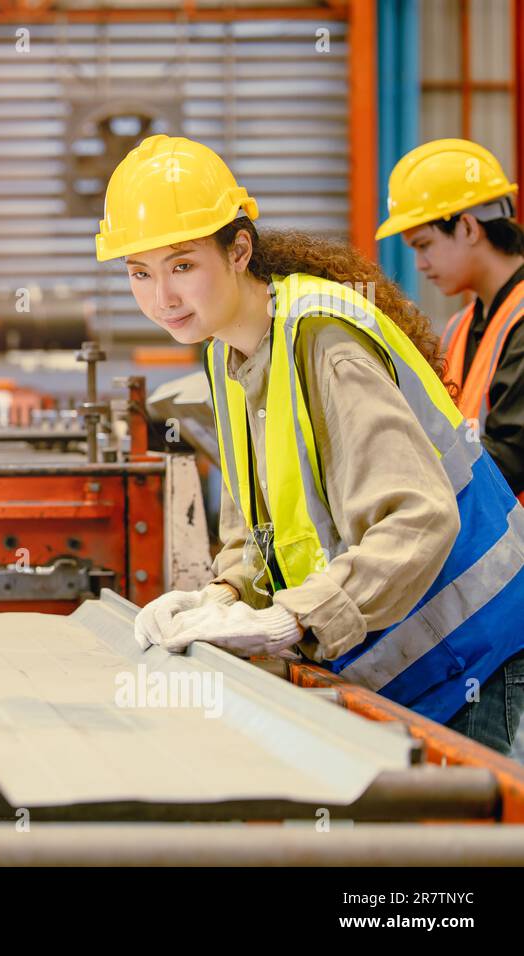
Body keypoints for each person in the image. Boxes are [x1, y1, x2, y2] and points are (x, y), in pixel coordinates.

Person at [99, 134, 524, 755]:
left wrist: (291, 618)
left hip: (484, 663)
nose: (161, 297)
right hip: (412, 671)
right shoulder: (228, 353)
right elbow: (262, 530)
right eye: (140, 272)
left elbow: (419, 517)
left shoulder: (324, 343)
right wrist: (221, 594)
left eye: (182, 265)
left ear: (238, 249)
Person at [377, 138, 524, 502]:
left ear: (470, 228)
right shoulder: (462, 326)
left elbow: (509, 455)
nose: (419, 264)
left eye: (424, 245)